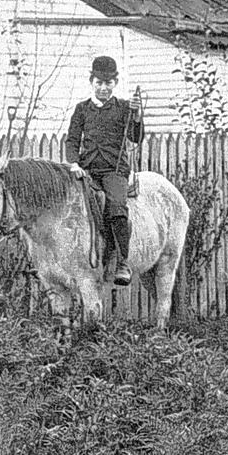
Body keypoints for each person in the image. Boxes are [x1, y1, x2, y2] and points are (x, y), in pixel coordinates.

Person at [65, 55, 144, 286]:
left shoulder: (123, 108)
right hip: (87, 170)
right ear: (92, 81)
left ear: (115, 84)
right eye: (99, 82)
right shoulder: (81, 110)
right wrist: (74, 163)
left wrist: (137, 116)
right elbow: (72, 141)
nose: (103, 87)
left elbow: (135, 138)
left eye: (108, 83)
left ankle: (122, 261)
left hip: (114, 170)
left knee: (117, 208)